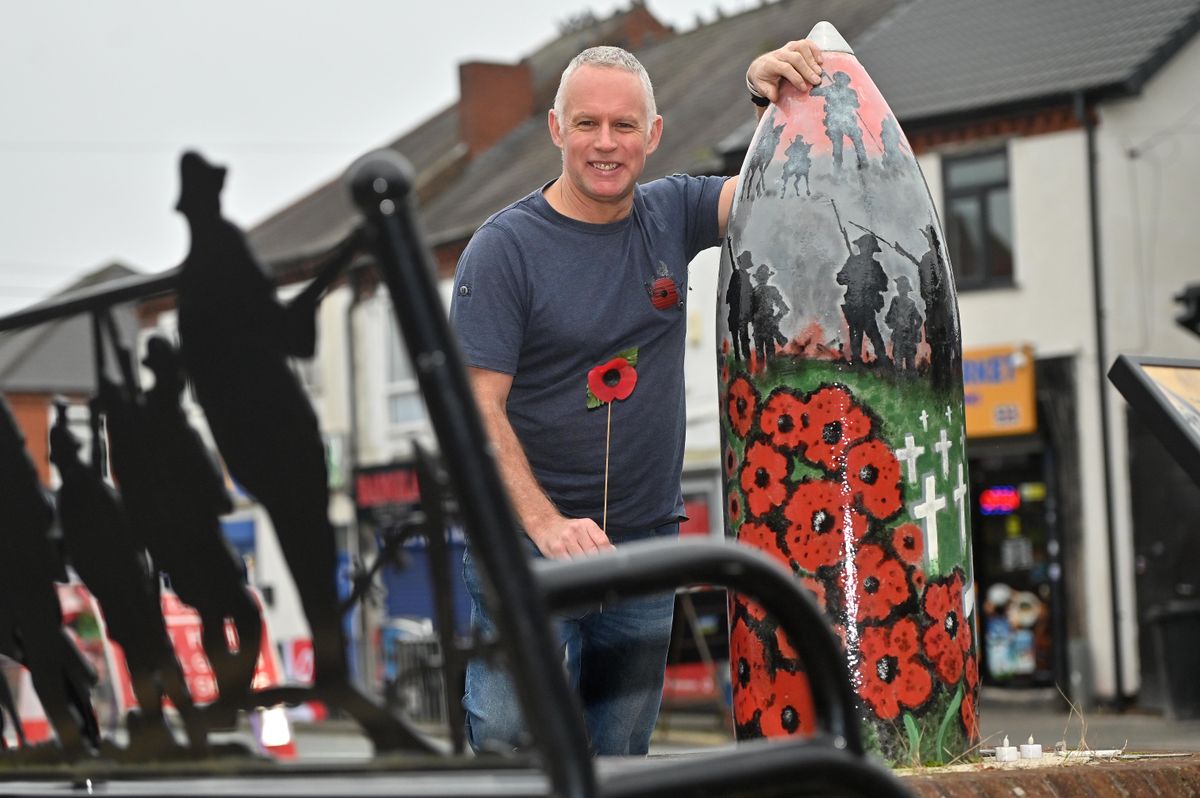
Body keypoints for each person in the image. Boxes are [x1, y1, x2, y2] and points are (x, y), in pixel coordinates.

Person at [449, 39, 824, 756]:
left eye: (624, 126)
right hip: (529, 546)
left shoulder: (672, 213)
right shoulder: (503, 250)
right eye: (586, 124)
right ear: (557, 130)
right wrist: (549, 525)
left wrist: (764, 96)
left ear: (652, 135)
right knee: (505, 737)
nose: (605, 143)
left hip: (643, 545)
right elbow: (476, 409)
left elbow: (775, 194)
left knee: (620, 749)